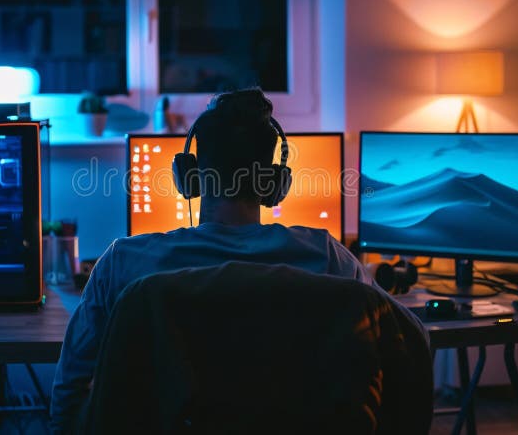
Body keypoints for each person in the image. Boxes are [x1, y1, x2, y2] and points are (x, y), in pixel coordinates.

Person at [50, 88, 426, 433]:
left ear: (188, 179)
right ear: (278, 184)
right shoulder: (326, 257)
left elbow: (69, 394)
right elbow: (414, 339)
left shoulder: (123, 264)